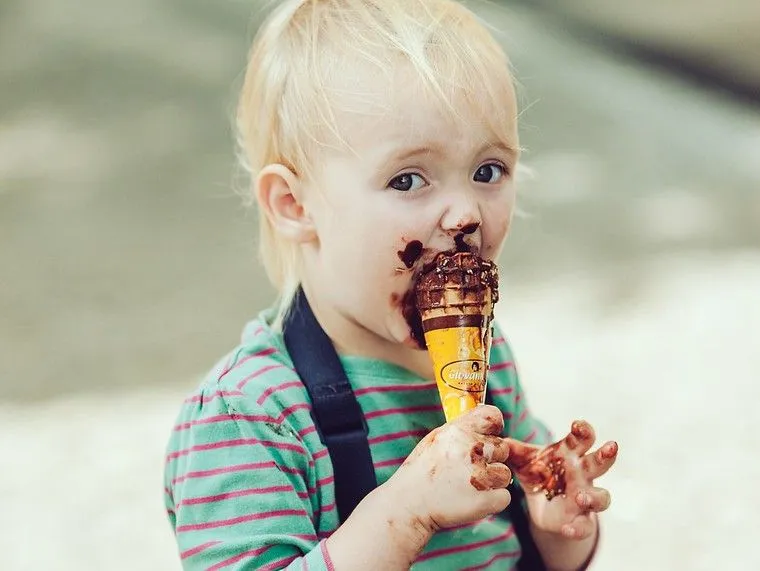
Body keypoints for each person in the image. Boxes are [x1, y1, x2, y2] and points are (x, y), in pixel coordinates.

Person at [163, 0, 619, 569]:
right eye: (408, 179)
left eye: (488, 171)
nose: (464, 213)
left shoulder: (488, 361)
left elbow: (534, 553)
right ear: (295, 205)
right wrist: (406, 513)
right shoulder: (252, 415)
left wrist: (555, 521)